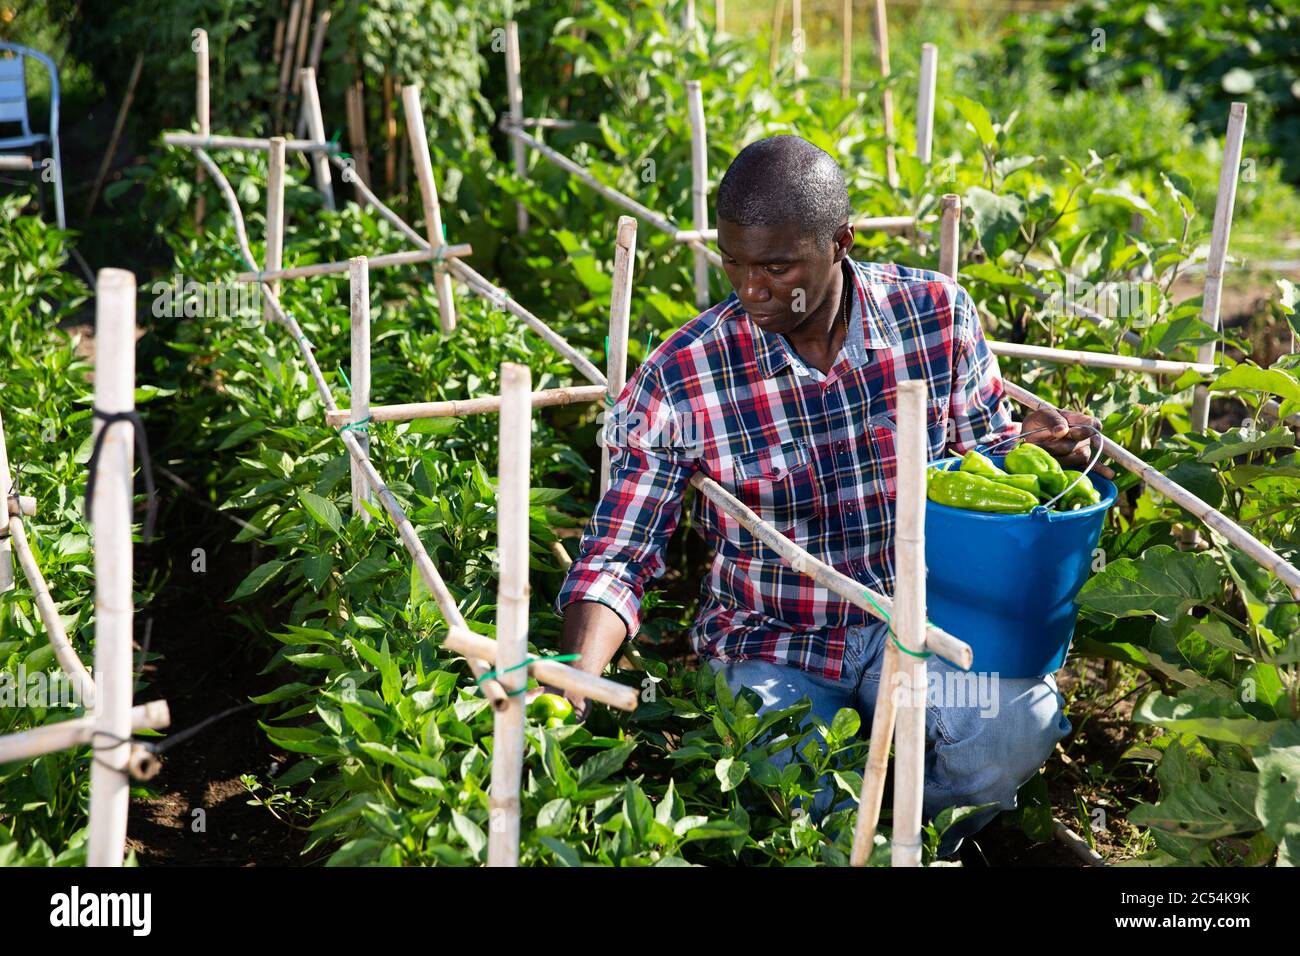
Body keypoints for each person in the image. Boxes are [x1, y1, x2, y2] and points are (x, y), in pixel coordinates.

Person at [539, 135, 1112, 860]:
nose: (751, 291)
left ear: (841, 242)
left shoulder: (936, 316)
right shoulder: (683, 375)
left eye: (777, 267)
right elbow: (619, 552)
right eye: (735, 264)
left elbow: (986, 467)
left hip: (916, 629)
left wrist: (1041, 452)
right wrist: (574, 678)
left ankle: (922, 839)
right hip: (771, 646)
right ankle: (852, 839)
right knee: (797, 785)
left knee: (1012, 727)